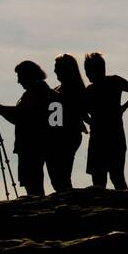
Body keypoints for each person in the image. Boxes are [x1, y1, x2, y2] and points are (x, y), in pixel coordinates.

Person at [0, 60, 57, 197]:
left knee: (32, 185)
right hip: (35, 145)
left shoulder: (37, 92)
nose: (18, 81)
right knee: (33, 183)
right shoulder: (40, 91)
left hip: (32, 145)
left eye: (20, 76)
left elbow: (20, 116)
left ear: (29, 75)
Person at [82, 53, 128, 189]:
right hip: (111, 137)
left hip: (102, 139)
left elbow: (80, 111)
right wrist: (123, 107)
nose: (87, 74)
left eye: (88, 70)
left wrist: (124, 107)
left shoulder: (93, 89)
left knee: (103, 180)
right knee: (115, 178)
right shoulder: (113, 82)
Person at [46, 53, 89, 192]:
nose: (55, 71)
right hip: (56, 135)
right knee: (56, 175)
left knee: (62, 174)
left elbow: (75, 107)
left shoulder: (75, 88)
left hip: (68, 134)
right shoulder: (58, 89)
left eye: (57, 67)